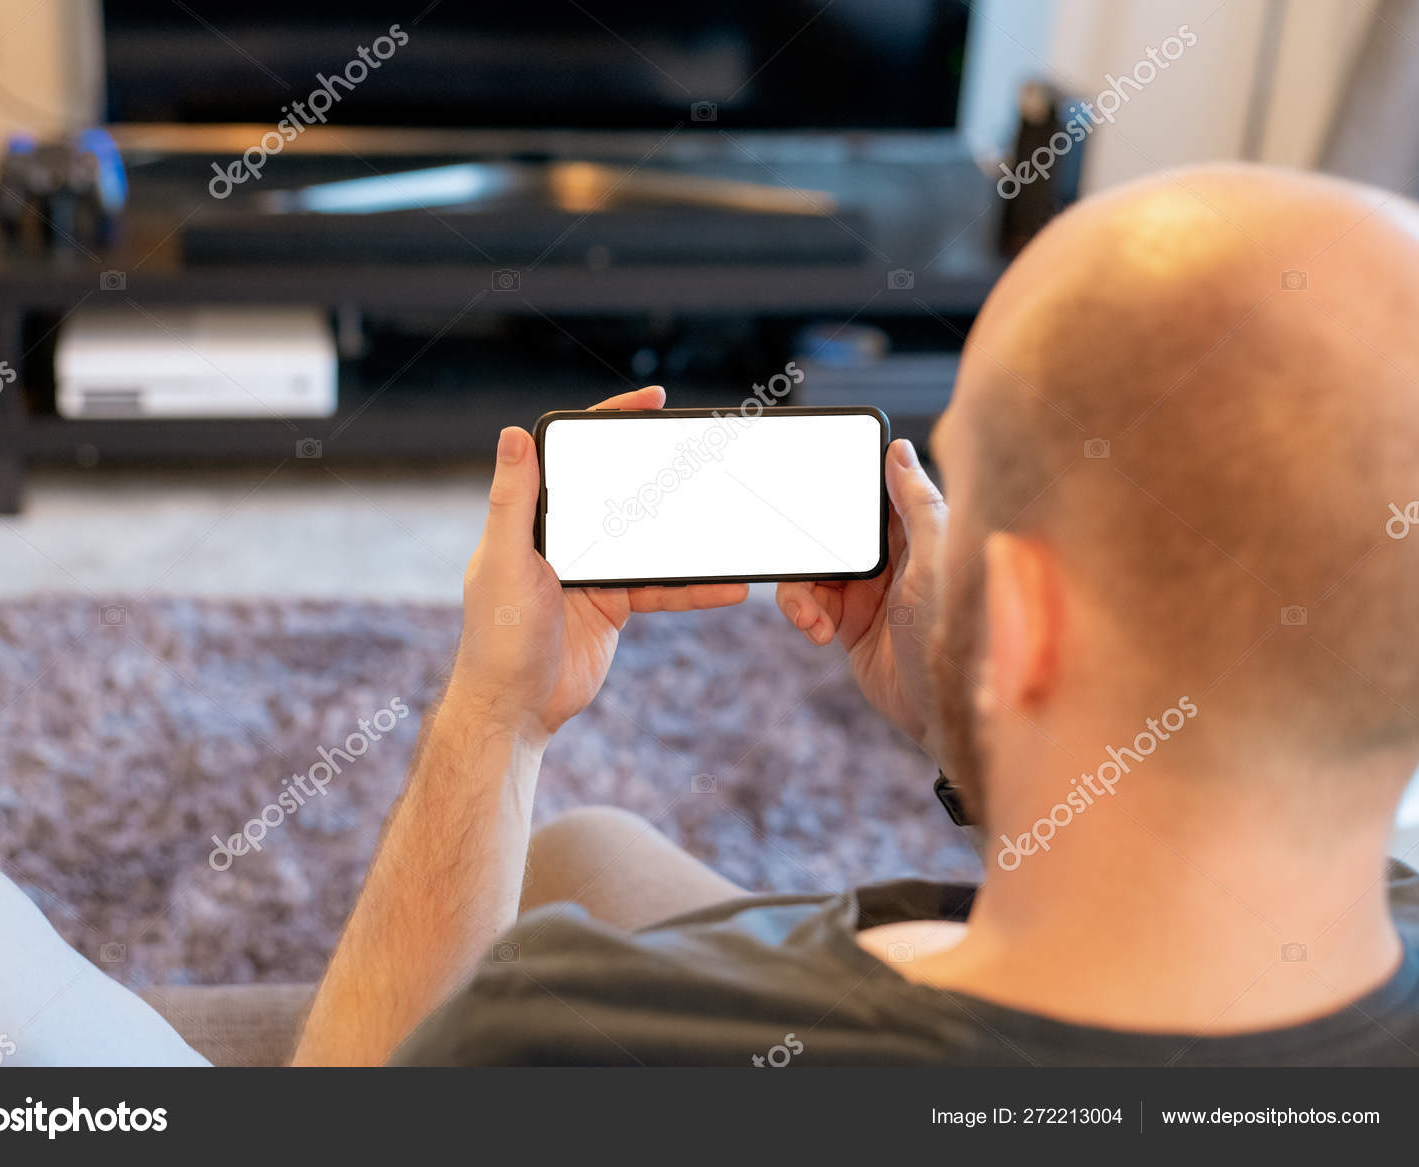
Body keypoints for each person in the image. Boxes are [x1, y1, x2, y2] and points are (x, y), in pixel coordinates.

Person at [292, 164, 1419, 1066]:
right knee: (592, 851)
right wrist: (975, 719)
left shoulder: (566, 1039)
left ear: (1024, 616)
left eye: (963, 486)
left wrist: (498, 713)